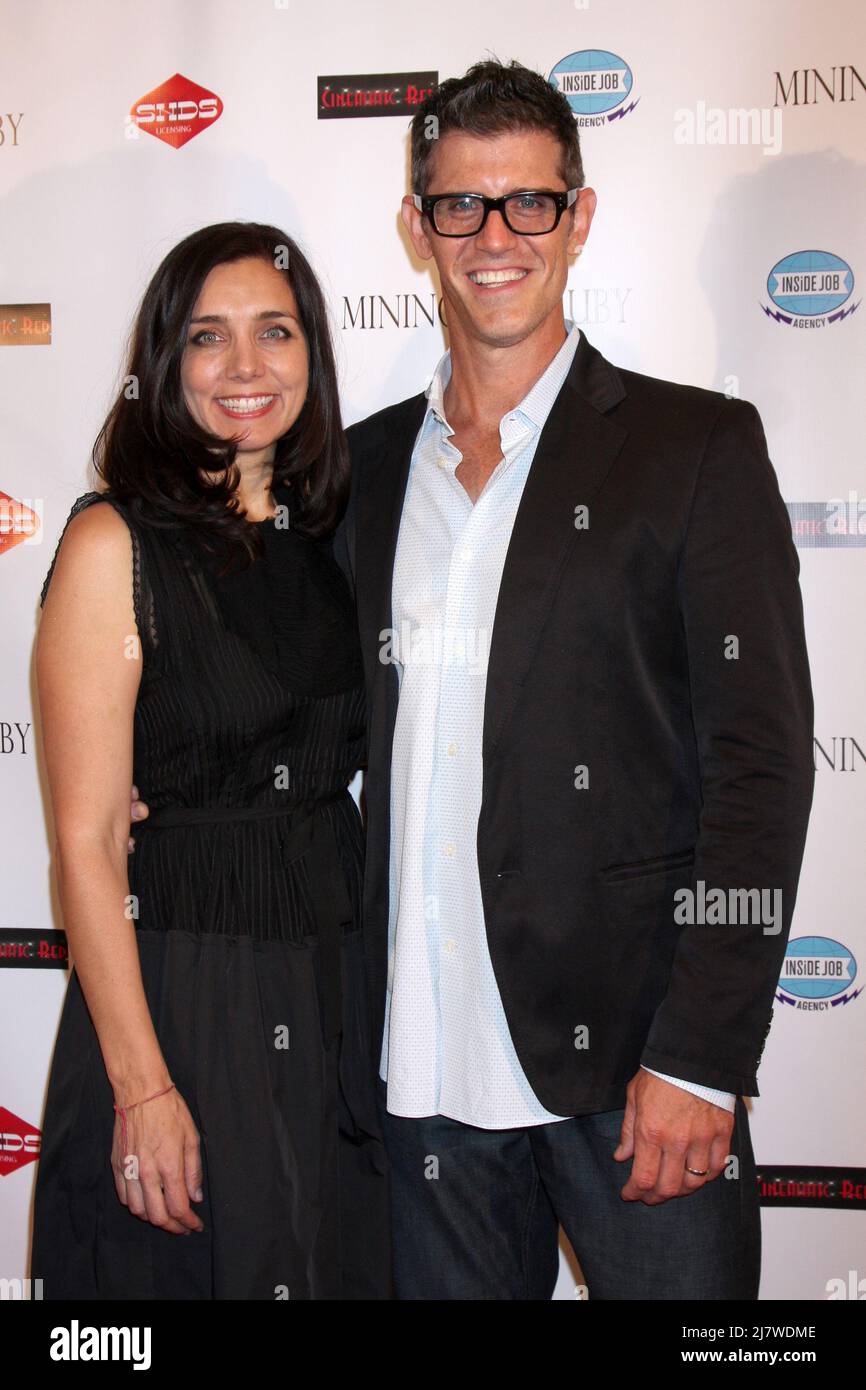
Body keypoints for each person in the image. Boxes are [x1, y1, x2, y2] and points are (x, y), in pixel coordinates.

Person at [332, 60, 814, 1299]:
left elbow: (756, 771)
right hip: (419, 1077)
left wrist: (702, 1056)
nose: (494, 238)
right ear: (415, 227)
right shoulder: (362, 472)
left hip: (633, 1075)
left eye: (527, 203)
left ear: (578, 216)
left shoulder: (693, 449)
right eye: (458, 205)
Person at [31, 221, 391, 1300]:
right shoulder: (115, 546)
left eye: (274, 333)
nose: (245, 367)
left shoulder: (329, 546)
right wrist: (144, 1087)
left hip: (336, 992)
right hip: (187, 995)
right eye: (207, 338)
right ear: (162, 364)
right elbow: (86, 843)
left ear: (311, 357)